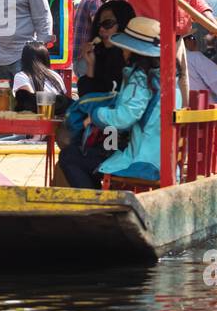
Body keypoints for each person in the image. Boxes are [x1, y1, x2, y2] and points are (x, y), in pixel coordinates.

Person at [58, 17, 177, 189]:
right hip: (161, 155)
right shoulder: (168, 78)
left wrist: (95, 116)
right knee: (95, 150)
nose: (122, 51)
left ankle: (97, 206)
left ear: (134, 51)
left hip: (143, 160)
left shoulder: (140, 79)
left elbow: (124, 118)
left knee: (70, 156)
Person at [76, 0, 136, 96]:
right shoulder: (99, 54)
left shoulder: (137, 63)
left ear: (124, 24)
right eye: (99, 25)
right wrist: (90, 65)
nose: (101, 29)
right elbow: (86, 98)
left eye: (107, 23)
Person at [72, 0, 115, 78]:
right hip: (86, 56)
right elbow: (99, 27)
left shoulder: (85, 0)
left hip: (79, 55)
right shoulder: (95, 2)